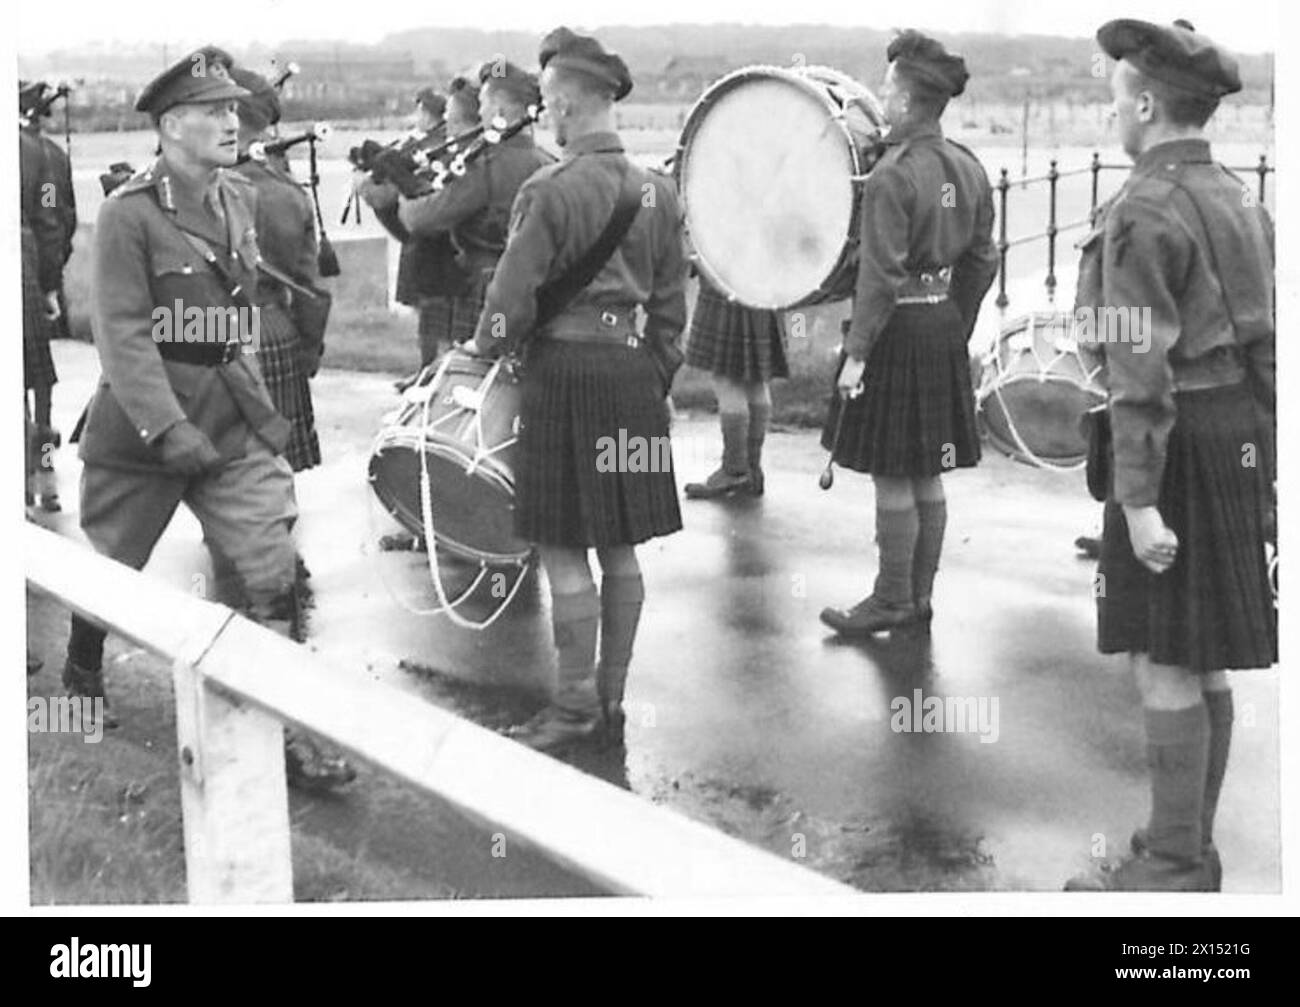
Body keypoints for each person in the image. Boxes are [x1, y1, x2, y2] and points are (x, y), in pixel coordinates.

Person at [62, 46, 353, 792]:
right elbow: (122, 330)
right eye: (214, 111)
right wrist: (166, 425)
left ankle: (281, 729)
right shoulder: (128, 214)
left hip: (229, 418)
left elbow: (236, 312)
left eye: (233, 108)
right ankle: (79, 676)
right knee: (110, 570)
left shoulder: (239, 197)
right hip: (145, 427)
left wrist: (254, 407)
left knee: (272, 571)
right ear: (170, 125)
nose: (233, 121)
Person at [1065, 19, 1275, 892]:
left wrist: (1139, 498)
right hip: (1233, 432)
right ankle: (1192, 843)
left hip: (1173, 440)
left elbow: (1137, 371)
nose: (1112, 110)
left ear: (1146, 105)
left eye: (1116, 96)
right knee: (1205, 651)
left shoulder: (1145, 209)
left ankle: (1173, 859)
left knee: (1163, 655)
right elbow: (1268, 353)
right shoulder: (1238, 196)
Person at [471, 27, 688, 753]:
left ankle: (572, 709)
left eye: (551, 109)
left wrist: (486, 351)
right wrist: (651, 377)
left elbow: (510, 298)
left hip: (562, 377)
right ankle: (611, 695)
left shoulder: (549, 190)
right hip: (630, 376)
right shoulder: (658, 191)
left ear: (563, 106)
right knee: (620, 546)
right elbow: (669, 309)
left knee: (564, 545)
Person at [818, 30, 998, 637]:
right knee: (927, 470)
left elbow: (880, 276)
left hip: (894, 332)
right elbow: (983, 259)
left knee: (894, 469)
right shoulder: (967, 167)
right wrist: (954, 321)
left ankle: (892, 596)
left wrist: (856, 353)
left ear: (908, 100)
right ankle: (918, 597)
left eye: (889, 87)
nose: (882, 96)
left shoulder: (894, 175)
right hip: (941, 324)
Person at [397, 61, 555, 347]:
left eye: (483, 103)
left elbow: (422, 219)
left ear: (500, 111)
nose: (479, 112)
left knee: (472, 382)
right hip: (536, 291)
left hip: (485, 290)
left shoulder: (486, 164)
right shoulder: (549, 163)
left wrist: (403, 192)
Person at [230, 65, 326, 472]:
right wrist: (309, 349)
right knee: (280, 470)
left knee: (227, 475)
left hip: (218, 330)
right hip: (276, 327)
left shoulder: (198, 187)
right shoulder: (289, 194)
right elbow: (312, 290)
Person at [354, 86, 473, 376]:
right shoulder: (251, 188)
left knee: (239, 366)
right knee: (238, 366)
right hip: (244, 307)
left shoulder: (249, 188)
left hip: (245, 307)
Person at [681, 278, 787, 498]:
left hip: (727, 284)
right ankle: (752, 469)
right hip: (766, 290)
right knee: (757, 381)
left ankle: (734, 470)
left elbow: (701, 247)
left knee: (727, 380)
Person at [19, 81, 72, 512]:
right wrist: (51, 282)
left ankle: (18, 486)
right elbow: (55, 219)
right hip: (26, 269)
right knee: (40, 388)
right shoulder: (47, 155)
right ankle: (46, 474)